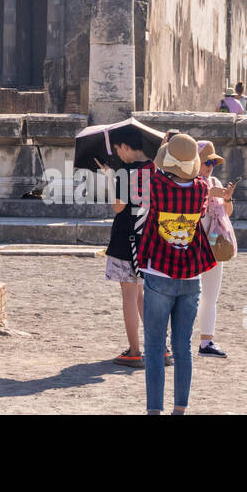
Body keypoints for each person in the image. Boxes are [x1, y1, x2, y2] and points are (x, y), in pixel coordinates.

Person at [138, 133, 232, 414]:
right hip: (190, 275)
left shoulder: (156, 184)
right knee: (183, 349)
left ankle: (154, 410)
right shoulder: (202, 188)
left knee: (155, 347)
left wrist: (162, 149)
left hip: (159, 271)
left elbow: (148, 171)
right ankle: (180, 409)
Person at [99, 128, 150, 368]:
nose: (118, 154)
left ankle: (135, 350)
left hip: (125, 238)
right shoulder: (154, 169)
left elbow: (118, 207)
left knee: (129, 295)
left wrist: (109, 178)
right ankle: (159, 347)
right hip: (147, 238)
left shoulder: (124, 173)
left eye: (118, 149)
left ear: (126, 147)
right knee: (143, 295)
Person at [196, 147, 237, 358]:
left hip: (213, 244)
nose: (209, 168)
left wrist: (227, 198)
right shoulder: (187, 183)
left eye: (212, 163)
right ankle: (167, 341)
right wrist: (206, 193)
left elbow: (227, 214)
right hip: (192, 246)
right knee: (182, 296)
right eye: (206, 162)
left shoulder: (215, 183)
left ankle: (206, 341)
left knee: (211, 295)